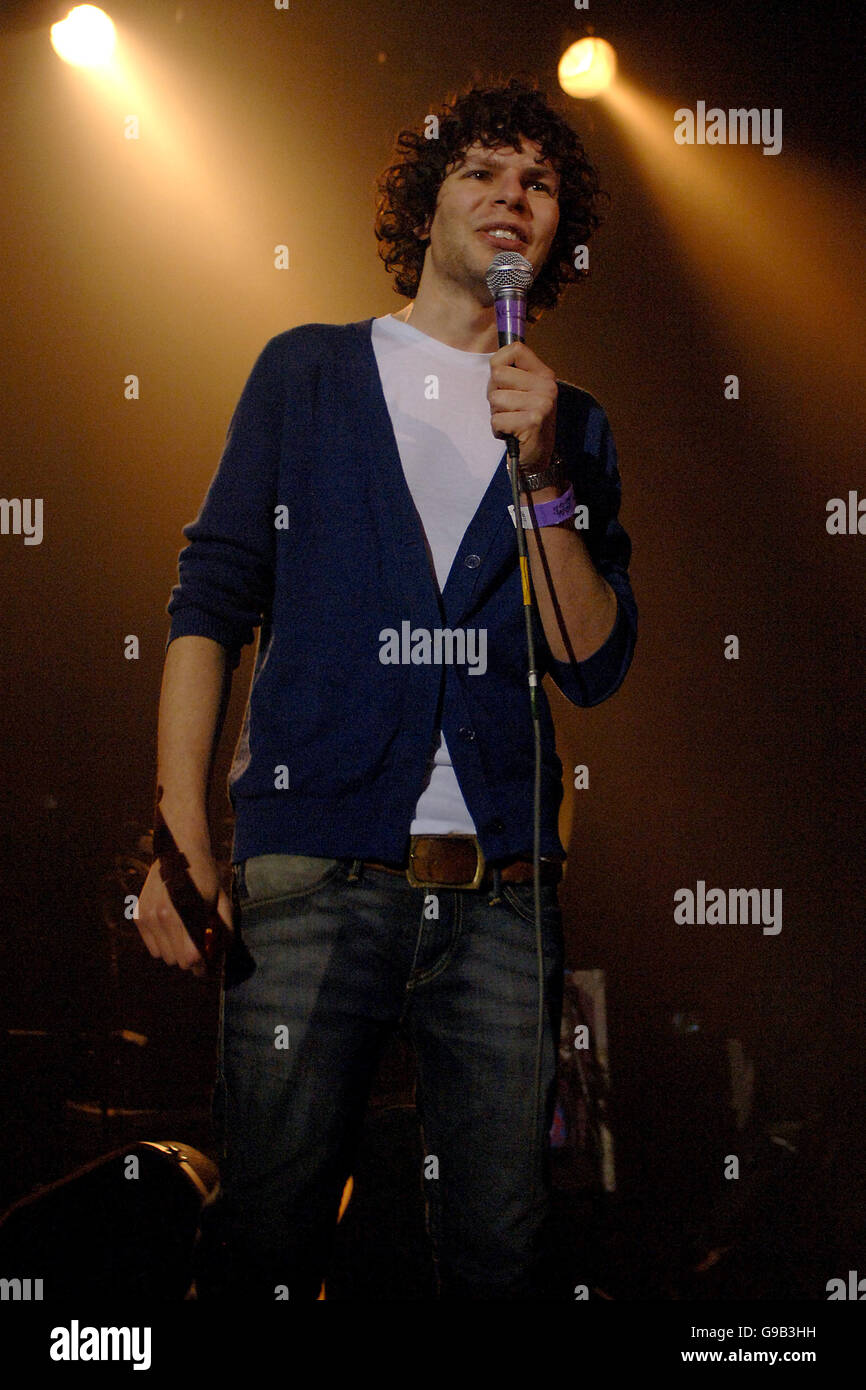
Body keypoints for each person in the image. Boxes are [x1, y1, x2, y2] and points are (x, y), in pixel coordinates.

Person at [136, 76, 637, 1301]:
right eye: (481, 171)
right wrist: (179, 836)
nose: (511, 196)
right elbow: (210, 603)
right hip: (314, 883)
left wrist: (546, 481)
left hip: (503, 907)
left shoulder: (567, 421)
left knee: (501, 1259)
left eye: (537, 180)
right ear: (426, 206)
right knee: (266, 1239)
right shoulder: (305, 374)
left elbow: (591, 658)